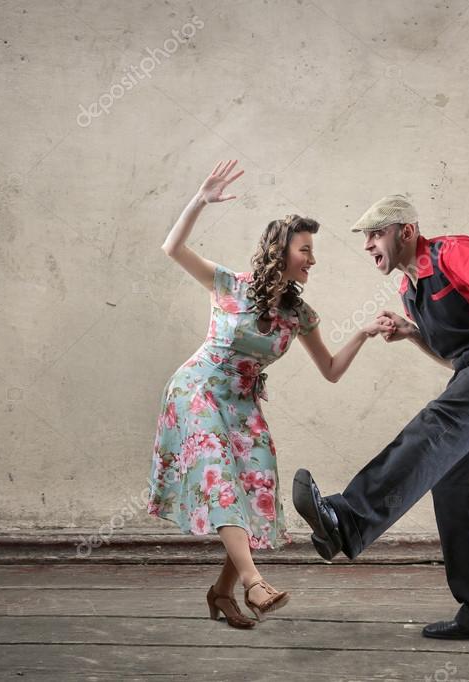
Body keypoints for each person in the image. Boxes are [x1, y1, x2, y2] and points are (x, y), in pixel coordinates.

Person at [292, 193, 469, 640]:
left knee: (437, 425)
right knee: (452, 478)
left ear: (406, 232)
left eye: (375, 234)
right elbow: (454, 357)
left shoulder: (448, 252)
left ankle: (349, 518)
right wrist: (413, 335)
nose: (367, 245)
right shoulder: (407, 290)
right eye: (364, 238)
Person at [147, 161, 386, 629]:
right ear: (282, 250)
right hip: (197, 390)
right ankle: (255, 583)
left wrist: (363, 333)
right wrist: (200, 200)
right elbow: (172, 247)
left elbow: (332, 370)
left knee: (257, 487)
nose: (312, 259)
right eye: (306, 249)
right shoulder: (228, 285)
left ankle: (221, 592)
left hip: (240, 404)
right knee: (218, 475)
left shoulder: (299, 316)